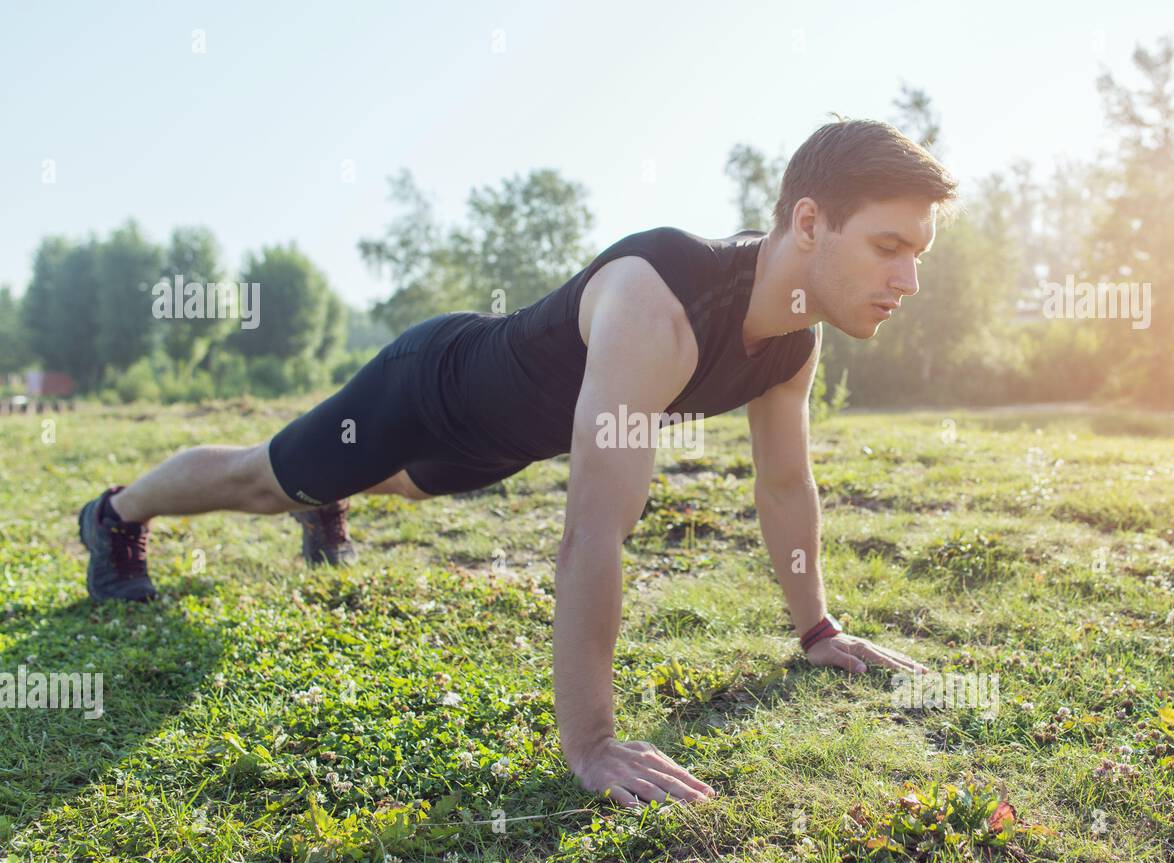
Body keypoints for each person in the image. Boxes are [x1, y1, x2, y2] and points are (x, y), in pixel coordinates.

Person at [78, 117, 955, 807]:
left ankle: (329, 502)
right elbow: (593, 534)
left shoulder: (790, 346)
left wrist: (818, 630)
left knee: (373, 484)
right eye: (889, 247)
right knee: (261, 482)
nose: (908, 282)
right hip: (426, 387)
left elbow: (784, 484)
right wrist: (591, 742)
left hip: (496, 444)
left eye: (918, 253)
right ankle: (116, 515)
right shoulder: (660, 300)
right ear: (809, 221)